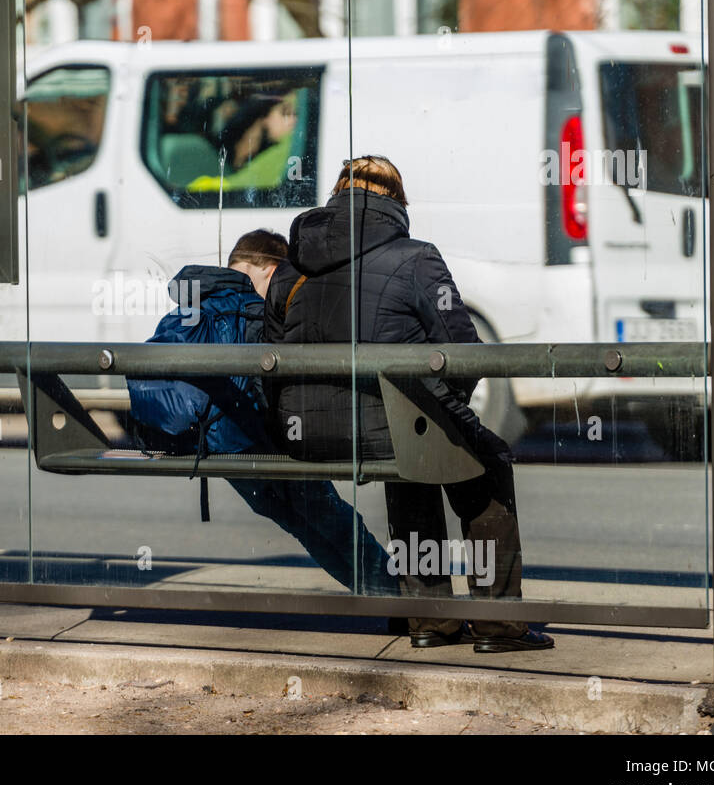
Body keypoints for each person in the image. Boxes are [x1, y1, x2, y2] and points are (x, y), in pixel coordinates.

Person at [263, 156, 554, 653]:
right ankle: (497, 623)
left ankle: (429, 620)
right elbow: (462, 350)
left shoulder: (294, 267)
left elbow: (272, 357)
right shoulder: (416, 257)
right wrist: (452, 405)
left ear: (338, 195)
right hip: (393, 422)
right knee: (481, 461)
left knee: (409, 459)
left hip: (309, 433)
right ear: (396, 201)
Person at [126, 229, 397, 596]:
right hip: (262, 447)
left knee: (308, 526)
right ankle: (395, 598)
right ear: (270, 269)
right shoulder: (257, 310)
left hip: (215, 451)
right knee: (330, 521)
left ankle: (382, 595)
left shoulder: (190, 309)